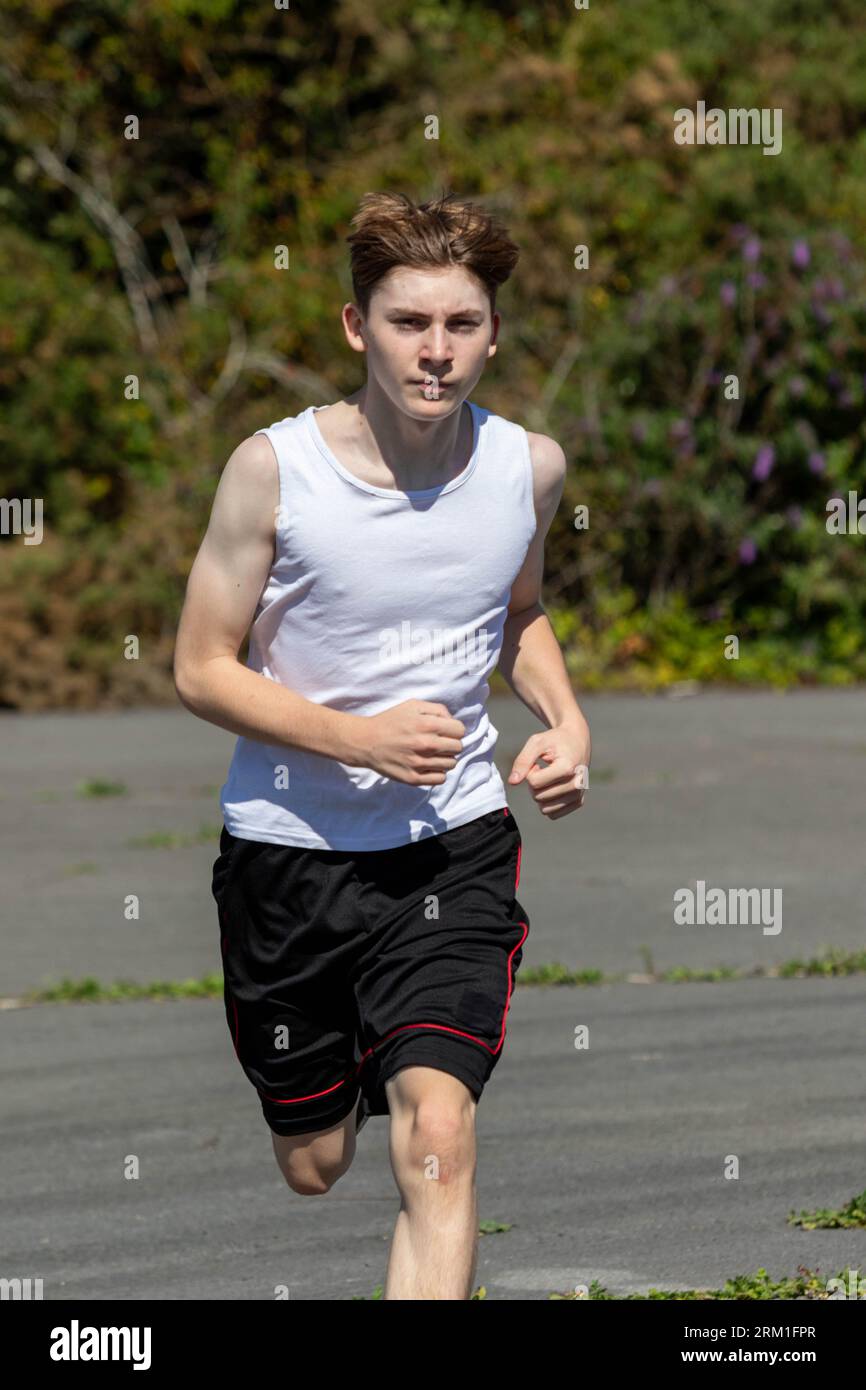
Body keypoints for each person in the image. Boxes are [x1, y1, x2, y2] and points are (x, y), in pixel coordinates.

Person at [173, 189, 592, 1299]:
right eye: (409, 323)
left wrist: (566, 716)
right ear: (358, 327)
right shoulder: (273, 472)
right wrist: (355, 735)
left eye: (461, 325)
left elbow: (517, 610)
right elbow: (199, 664)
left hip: (448, 846)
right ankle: (334, 1072)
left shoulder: (526, 468)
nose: (437, 352)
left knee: (437, 1133)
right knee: (315, 1162)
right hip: (286, 858)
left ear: (493, 331)